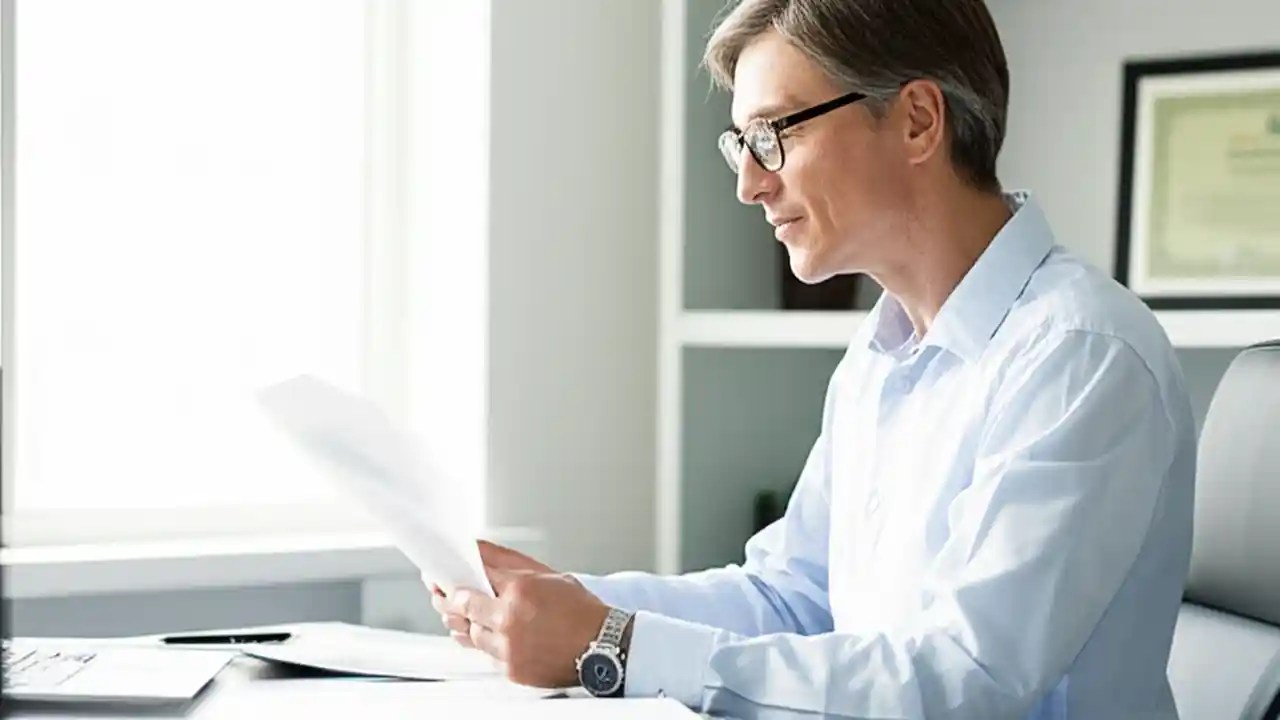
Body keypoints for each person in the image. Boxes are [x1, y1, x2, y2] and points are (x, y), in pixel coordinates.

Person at [434, 0, 1196, 717]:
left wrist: (616, 645)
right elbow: (793, 597)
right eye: (743, 143)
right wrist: (569, 603)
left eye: (774, 136)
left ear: (918, 121)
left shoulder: (1080, 356)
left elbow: (967, 682)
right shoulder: (884, 351)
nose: (748, 184)